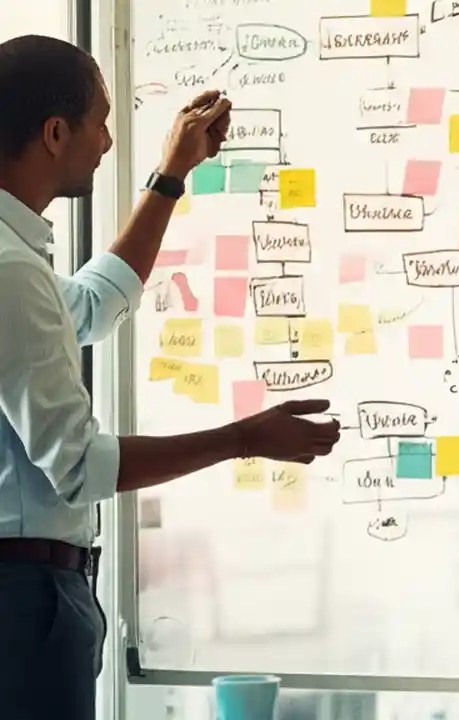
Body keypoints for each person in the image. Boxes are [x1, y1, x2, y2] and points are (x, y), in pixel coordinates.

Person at [0, 35, 341, 720]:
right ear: (55, 132)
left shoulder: (16, 260)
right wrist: (244, 437)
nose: (106, 141)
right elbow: (80, 466)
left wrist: (171, 174)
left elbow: (92, 306)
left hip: (35, 595)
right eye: (100, 120)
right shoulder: (8, 270)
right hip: (23, 600)